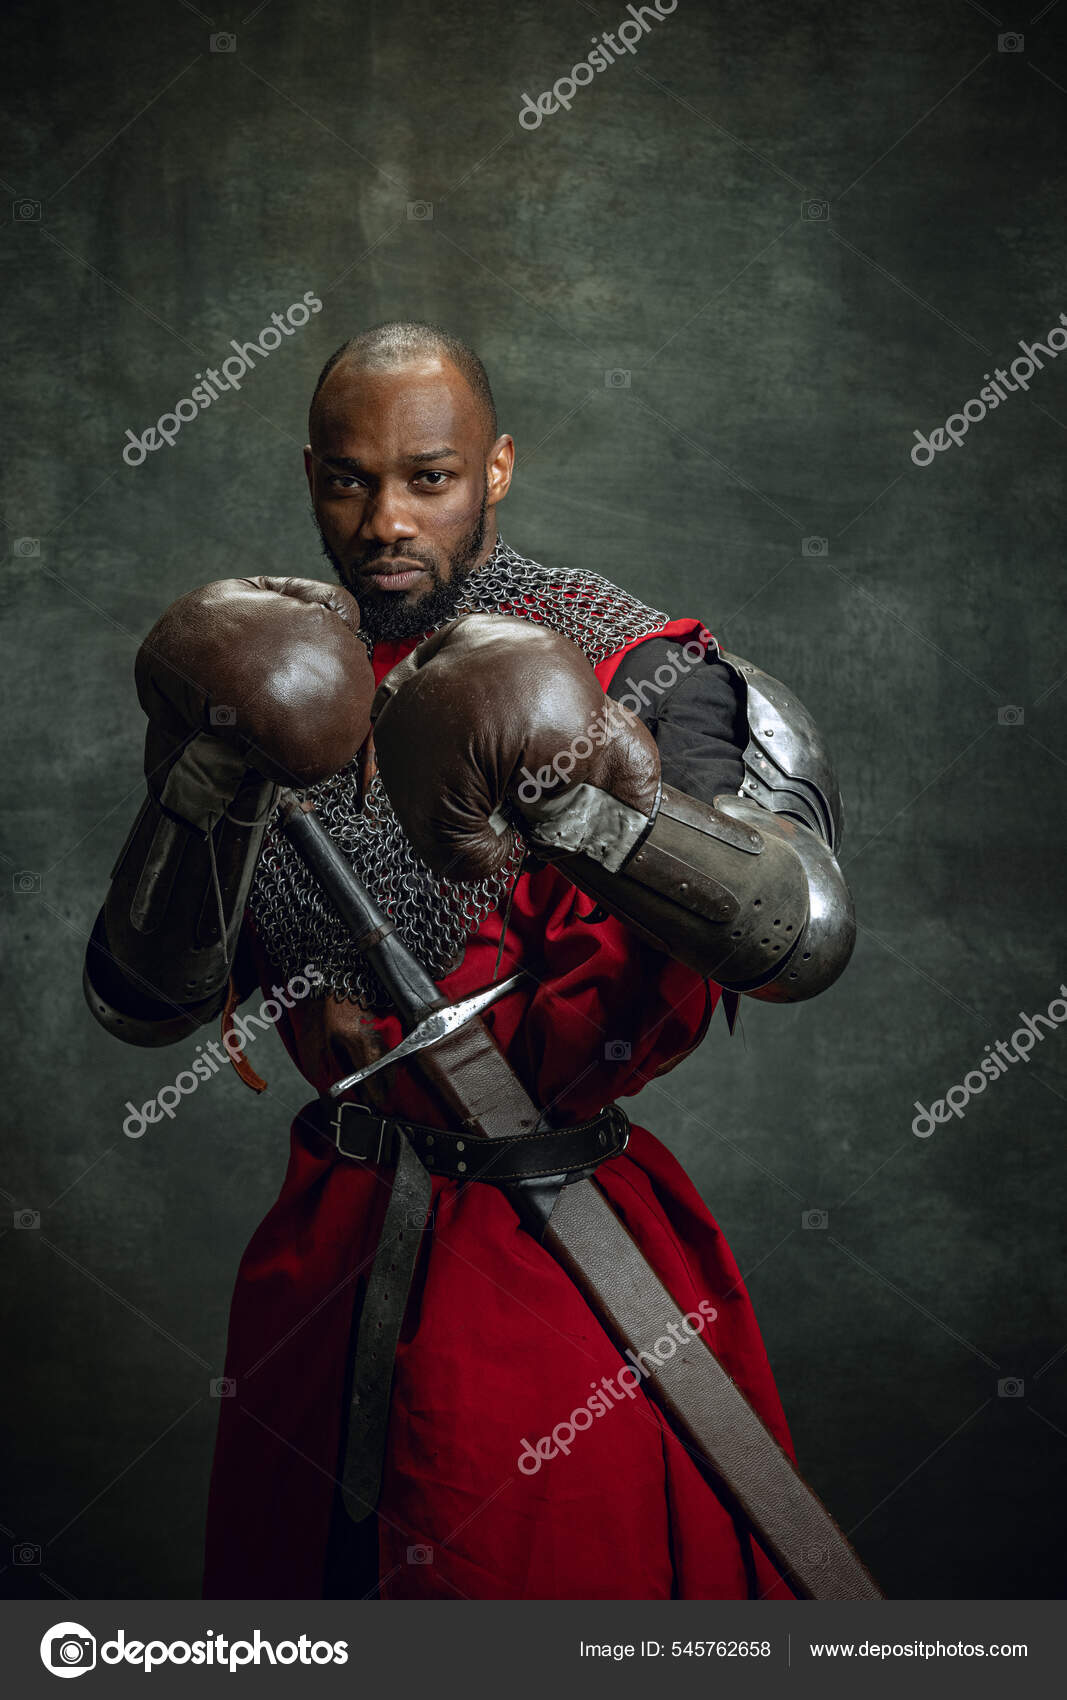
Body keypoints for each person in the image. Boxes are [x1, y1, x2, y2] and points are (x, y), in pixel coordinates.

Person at [84, 322, 855, 1601]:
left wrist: (588, 800)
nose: (385, 517)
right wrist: (202, 781)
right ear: (312, 476)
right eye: (347, 478)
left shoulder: (645, 671)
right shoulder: (270, 669)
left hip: (550, 1269)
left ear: (494, 468)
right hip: (324, 1262)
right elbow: (141, 1000)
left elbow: (800, 935)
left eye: (428, 476)